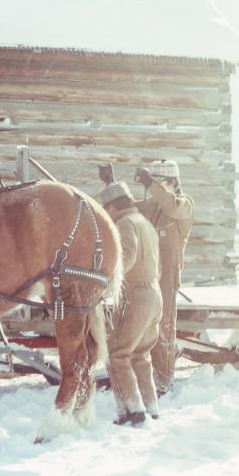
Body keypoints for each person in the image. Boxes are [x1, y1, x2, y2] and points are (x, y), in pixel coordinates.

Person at [97, 181, 163, 426]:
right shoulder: (145, 223)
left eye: (105, 209)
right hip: (153, 293)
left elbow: (127, 256)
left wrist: (105, 284)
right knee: (140, 354)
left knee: (116, 353)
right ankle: (151, 407)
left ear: (112, 207)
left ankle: (133, 411)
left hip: (134, 295)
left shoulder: (124, 224)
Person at [134, 160, 194, 396]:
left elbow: (172, 206)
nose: (153, 189)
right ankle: (148, 374)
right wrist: (111, 185)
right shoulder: (153, 205)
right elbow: (126, 208)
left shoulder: (184, 204)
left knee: (164, 326)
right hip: (149, 272)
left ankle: (164, 378)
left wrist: (149, 182)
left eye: (158, 183)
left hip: (168, 274)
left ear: (172, 182)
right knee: (146, 324)